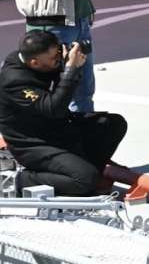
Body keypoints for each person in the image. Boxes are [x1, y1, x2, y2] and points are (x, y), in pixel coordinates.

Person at [0, 30, 135, 196]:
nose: (58, 59)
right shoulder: (14, 81)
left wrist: (65, 62)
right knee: (85, 180)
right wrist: (70, 70)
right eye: (53, 59)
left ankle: (85, 169)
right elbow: (54, 109)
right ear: (34, 63)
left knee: (113, 124)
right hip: (34, 144)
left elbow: (58, 97)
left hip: (56, 129)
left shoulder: (38, 60)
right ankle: (22, 179)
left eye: (58, 52)